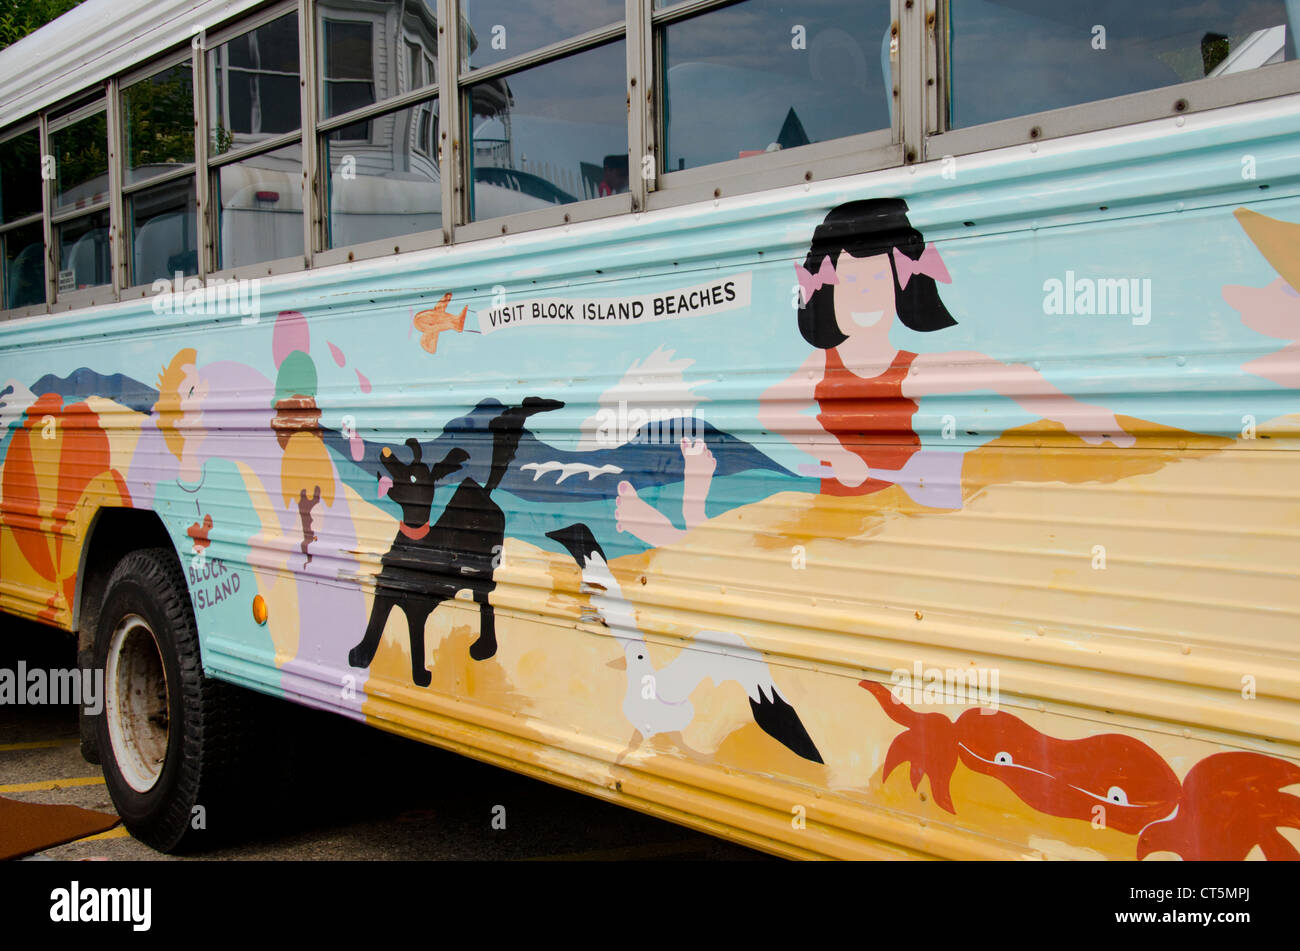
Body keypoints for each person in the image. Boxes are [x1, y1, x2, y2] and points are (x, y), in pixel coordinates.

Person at [759, 198, 1133, 499]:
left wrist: (1073, 411)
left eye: (879, 277)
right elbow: (772, 409)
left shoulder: (908, 370)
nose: (867, 292)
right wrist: (836, 455)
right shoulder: (824, 364)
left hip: (899, 504)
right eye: (852, 278)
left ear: (901, 288)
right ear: (829, 291)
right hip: (846, 512)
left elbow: (995, 372)